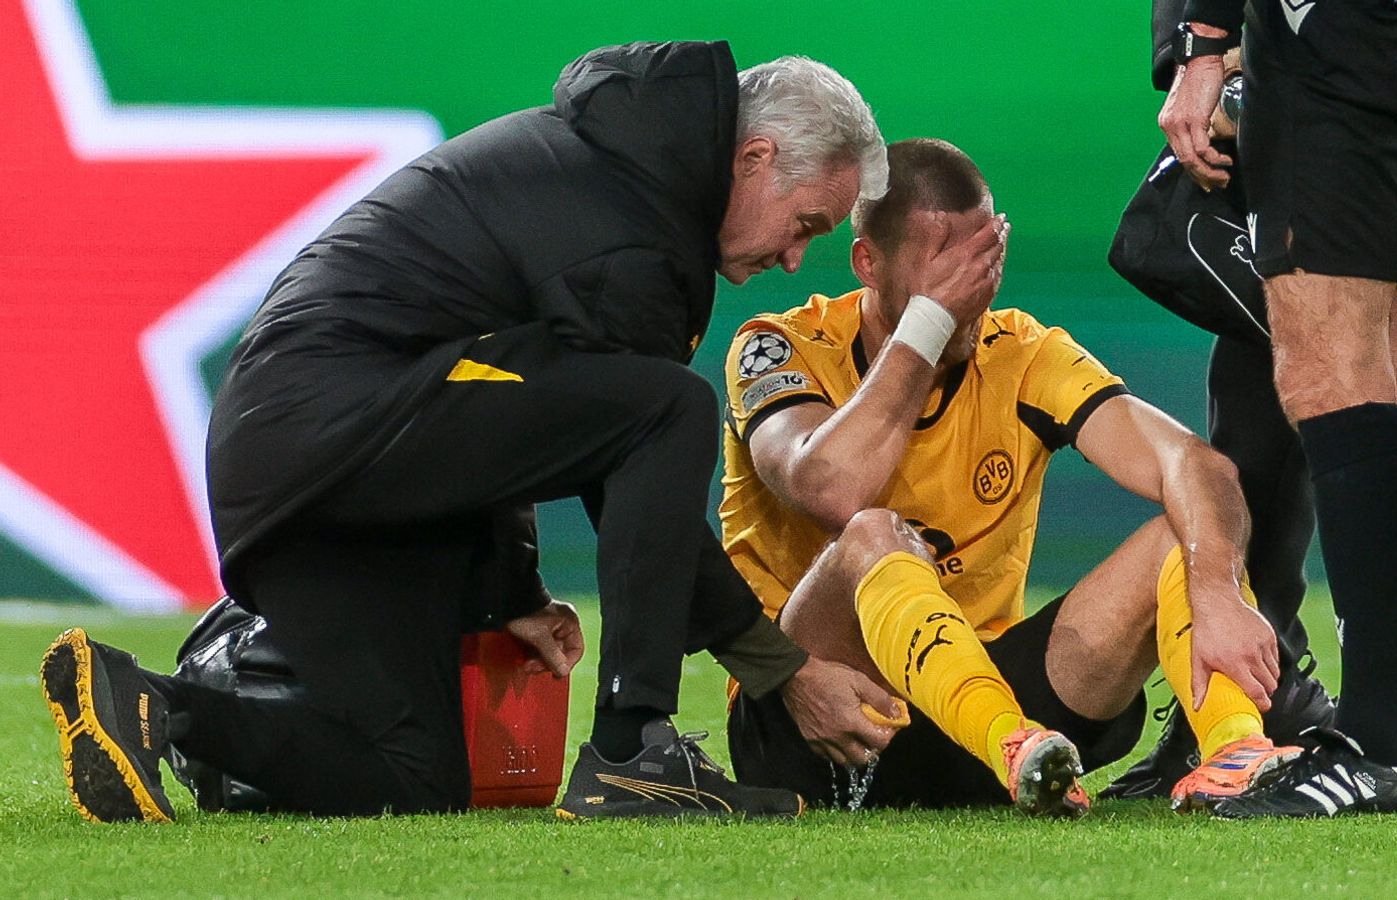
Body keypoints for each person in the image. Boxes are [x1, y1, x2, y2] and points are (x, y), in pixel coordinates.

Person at [39, 41, 923, 823]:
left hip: (294, 467)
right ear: (755, 157)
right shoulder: (636, 225)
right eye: (805, 224)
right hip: (335, 426)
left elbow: (504, 394)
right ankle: (632, 749)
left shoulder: (618, 172)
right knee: (672, 407)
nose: (794, 257)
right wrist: (781, 669)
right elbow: (618, 467)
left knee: (412, 778)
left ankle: (157, 706)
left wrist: (514, 591)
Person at [719, 138, 1299, 815]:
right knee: (873, 533)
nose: (970, 292)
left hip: (977, 710)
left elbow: (1192, 463)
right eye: (945, 269)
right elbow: (827, 488)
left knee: (1185, 535)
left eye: (983, 260)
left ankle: (1234, 752)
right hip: (816, 720)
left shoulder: (1021, 353)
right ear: (867, 263)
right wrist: (929, 324)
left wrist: (1218, 587)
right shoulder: (779, 347)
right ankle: (1012, 744)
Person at [1106, 0, 1397, 803]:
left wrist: (1205, 45)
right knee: (1393, 384)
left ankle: (1390, 737)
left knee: (1336, 377)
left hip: (1334, 45)